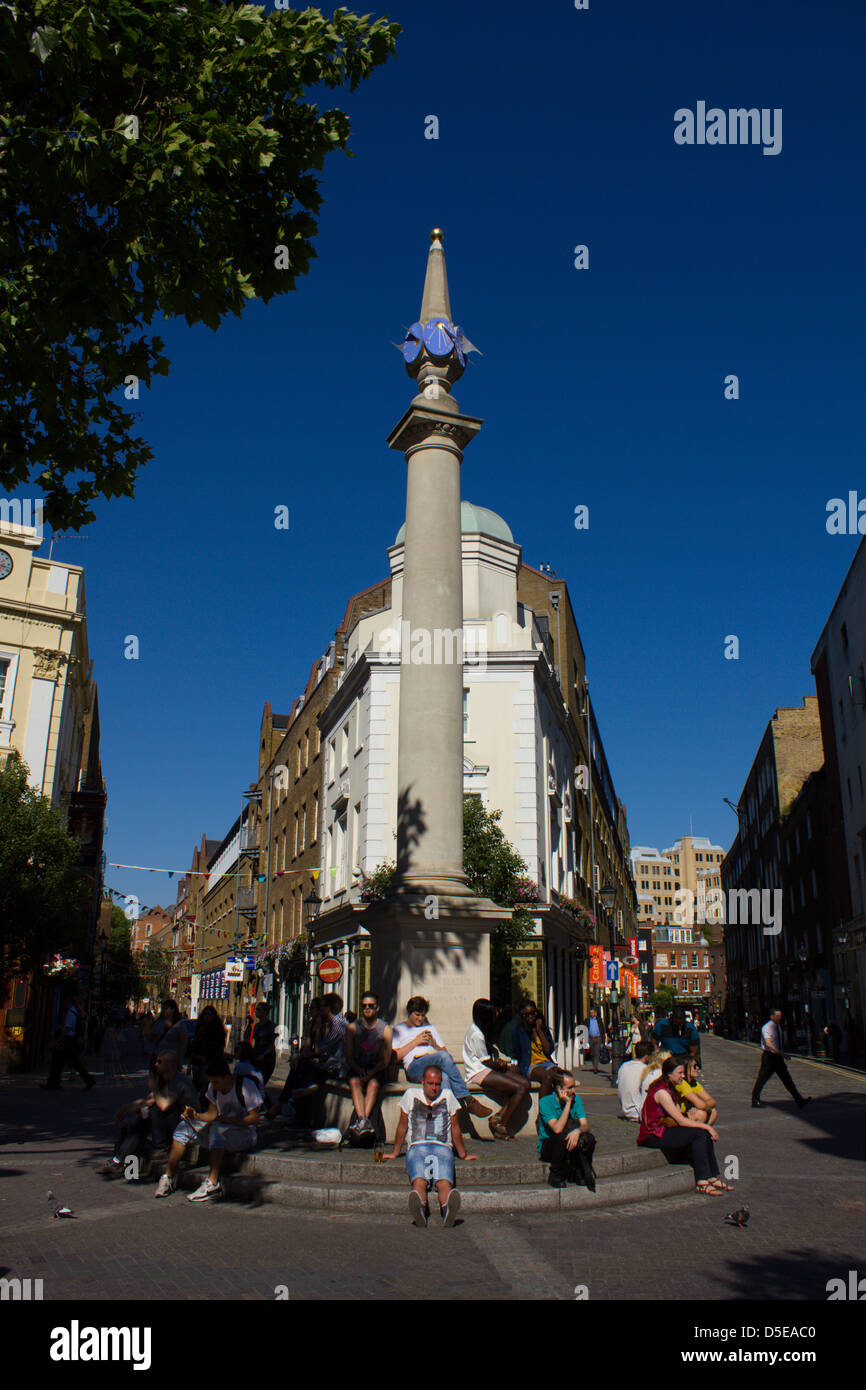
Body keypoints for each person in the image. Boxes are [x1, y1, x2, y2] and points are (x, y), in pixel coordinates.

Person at [155, 1055, 265, 1202]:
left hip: (244, 1135)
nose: (213, 1086)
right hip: (220, 1132)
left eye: (216, 1082)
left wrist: (227, 1120)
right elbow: (212, 1114)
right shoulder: (213, 1089)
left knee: (217, 1129)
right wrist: (196, 1116)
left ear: (227, 1077)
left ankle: (213, 1183)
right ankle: (168, 1177)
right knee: (184, 1127)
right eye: (211, 1082)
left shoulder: (245, 1086)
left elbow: (255, 1119)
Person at [384, 1063, 478, 1227]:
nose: (434, 1088)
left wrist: (463, 1154)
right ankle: (419, 1207)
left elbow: (455, 1128)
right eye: (430, 1084)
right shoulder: (410, 1094)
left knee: (444, 1182)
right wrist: (395, 1152)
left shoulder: (448, 1095)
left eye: (437, 1084)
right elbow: (402, 1126)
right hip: (417, 1147)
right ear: (422, 1081)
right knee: (419, 1180)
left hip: (442, 1147)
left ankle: (447, 1208)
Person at [97, 1050, 198, 1179]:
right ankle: (119, 1159)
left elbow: (164, 1105)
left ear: (170, 1065)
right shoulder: (170, 1080)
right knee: (137, 1122)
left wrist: (154, 1089)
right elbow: (148, 1100)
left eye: (160, 1062)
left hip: (188, 1126)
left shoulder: (179, 1081)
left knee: (152, 1112)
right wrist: (126, 1109)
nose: (156, 1064)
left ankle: (158, 1148)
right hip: (176, 1123)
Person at [638, 1056, 731, 1195]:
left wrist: (694, 1119)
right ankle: (701, 1180)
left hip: (665, 1129)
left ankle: (711, 1176)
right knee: (700, 1133)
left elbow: (678, 1114)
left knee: (702, 1133)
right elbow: (680, 1121)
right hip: (653, 1134)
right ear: (669, 1074)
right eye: (680, 1073)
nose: (683, 1076)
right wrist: (707, 1126)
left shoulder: (671, 1087)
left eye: (683, 1072)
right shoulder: (662, 1092)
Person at [391, 996, 491, 1118]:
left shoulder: (430, 1028)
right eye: (417, 1015)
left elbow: (445, 1053)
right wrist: (415, 1042)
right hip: (415, 1065)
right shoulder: (399, 1029)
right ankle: (467, 1098)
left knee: (445, 1079)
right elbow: (394, 1057)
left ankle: (443, 1124)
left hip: (435, 1064)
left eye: (423, 1015)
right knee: (442, 1058)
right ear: (409, 1012)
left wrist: (434, 1044)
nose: (420, 1018)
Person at [463, 998, 530, 1139]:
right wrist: (503, 1065)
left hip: (487, 1068)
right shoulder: (477, 1034)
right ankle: (501, 1123)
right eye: (493, 1013)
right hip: (478, 1072)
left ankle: (498, 1117)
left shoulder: (482, 1030)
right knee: (520, 1088)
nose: (497, 1015)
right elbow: (485, 1062)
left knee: (525, 1083)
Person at [538, 1068, 597, 1190]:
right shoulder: (545, 1102)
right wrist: (568, 1104)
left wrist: (578, 1131)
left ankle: (580, 1173)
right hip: (550, 1145)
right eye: (569, 1088)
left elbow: (585, 1125)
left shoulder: (577, 1099)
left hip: (570, 1142)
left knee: (589, 1138)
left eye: (574, 1087)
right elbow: (557, 1128)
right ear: (559, 1089)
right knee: (563, 1134)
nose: (573, 1091)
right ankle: (555, 1175)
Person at [346, 992, 393, 1134]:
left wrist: (371, 1072)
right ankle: (364, 1120)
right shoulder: (353, 1028)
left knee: (373, 1084)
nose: (367, 1008)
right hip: (357, 1067)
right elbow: (349, 1055)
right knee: (354, 1082)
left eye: (371, 1006)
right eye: (364, 1006)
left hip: (376, 1069)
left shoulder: (385, 1029)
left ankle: (362, 1121)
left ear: (377, 1008)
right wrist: (359, 1070)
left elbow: (385, 1060)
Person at [751, 1010, 811, 1109]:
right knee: (762, 1079)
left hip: (777, 1057)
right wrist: (782, 1053)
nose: (780, 1018)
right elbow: (769, 1044)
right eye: (778, 1016)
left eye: (780, 1016)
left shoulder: (777, 1026)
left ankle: (799, 1100)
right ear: (772, 1017)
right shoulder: (767, 1027)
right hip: (769, 1057)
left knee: (787, 1080)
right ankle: (755, 1100)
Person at [41, 990, 95, 1091]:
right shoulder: (76, 1011)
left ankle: (53, 1083)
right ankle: (54, 1082)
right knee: (69, 1063)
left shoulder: (70, 1012)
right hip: (72, 1041)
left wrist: (58, 1041)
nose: (64, 1004)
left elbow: (67, 1029)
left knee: (59, 1062)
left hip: (68, 1041)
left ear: (69, 1002)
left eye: (66, 1002)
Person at [514, 1000, 557, 1095]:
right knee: (547, 1077)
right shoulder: (520, 1031)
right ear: (522, 1015)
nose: (531, 1016)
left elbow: (548, 1050)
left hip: (547, 1063)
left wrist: (539, 1031)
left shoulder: (543, 1029)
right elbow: (516, 1052)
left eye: (533, 1013)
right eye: (527, 1014)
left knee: (563, 1076)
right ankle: (543, 1108)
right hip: (531, 1065)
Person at [189, 1005, 228, 1093]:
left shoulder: (217, 1030)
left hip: (210, 1062)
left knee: (206, 1087)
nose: (207, 1016)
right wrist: (191, 1062)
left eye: (209, 1014)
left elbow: (219, 1047)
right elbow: (195, 1045)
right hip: (197, 1061)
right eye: (205, 1014)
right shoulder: (200, 1028)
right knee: (196, 1084)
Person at [616, 1041, 656, 1121]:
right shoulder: (645, 1070)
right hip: (638, 1112)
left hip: (625, 1109)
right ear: (647, 1057)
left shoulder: (624, 1066)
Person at [675, 1057, 717, 1126]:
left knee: (713, 1111)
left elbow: (712, 1101)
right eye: (694, 1066)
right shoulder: (681, 1083)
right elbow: (700, 1105)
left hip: (687, 1112)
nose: (697, 1068)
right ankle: (700, 1133)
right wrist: (699, 1106)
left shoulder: (693, 1083)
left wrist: (697, 1107)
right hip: (679, 1115)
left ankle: (705, 1133)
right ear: (687, 1069)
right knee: (701, 1114)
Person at [149, 1000, 188, 1067]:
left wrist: (180, 1059)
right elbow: (152, 1037)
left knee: (166, 1076)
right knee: (153, 1076)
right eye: (163, 1008)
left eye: (166, 1008)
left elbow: (183, 1043)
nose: (164, 1010)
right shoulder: (159, 1022)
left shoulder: (179, 1024)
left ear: (173, 1010)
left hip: (171, 1058)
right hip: (158, 1055)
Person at [251, 1002, 277, 1084]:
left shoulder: (271, 1026)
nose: (256, 1011)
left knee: (261, 1083)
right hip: (257, 1058)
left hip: (267, 1060)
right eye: (256, 1009)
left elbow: (273, 1044)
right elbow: (255, 1042)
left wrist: (264, 1055)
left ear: (265, 1012)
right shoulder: (257, 1026)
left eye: (258, 1009)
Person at [585, 1006, 608, 1073]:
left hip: (598, 1038)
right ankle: (594, 1065)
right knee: (592, 1053)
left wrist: (603, 1040)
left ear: (595, 1013)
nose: (591, 1014)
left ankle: (595, 1068)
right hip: (591, 1038)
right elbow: (584, 1028)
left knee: (597, 1052)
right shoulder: (587, 1020)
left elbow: (602, 1030)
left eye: (592, 1013)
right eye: (590, 1013)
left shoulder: (599, 1020)